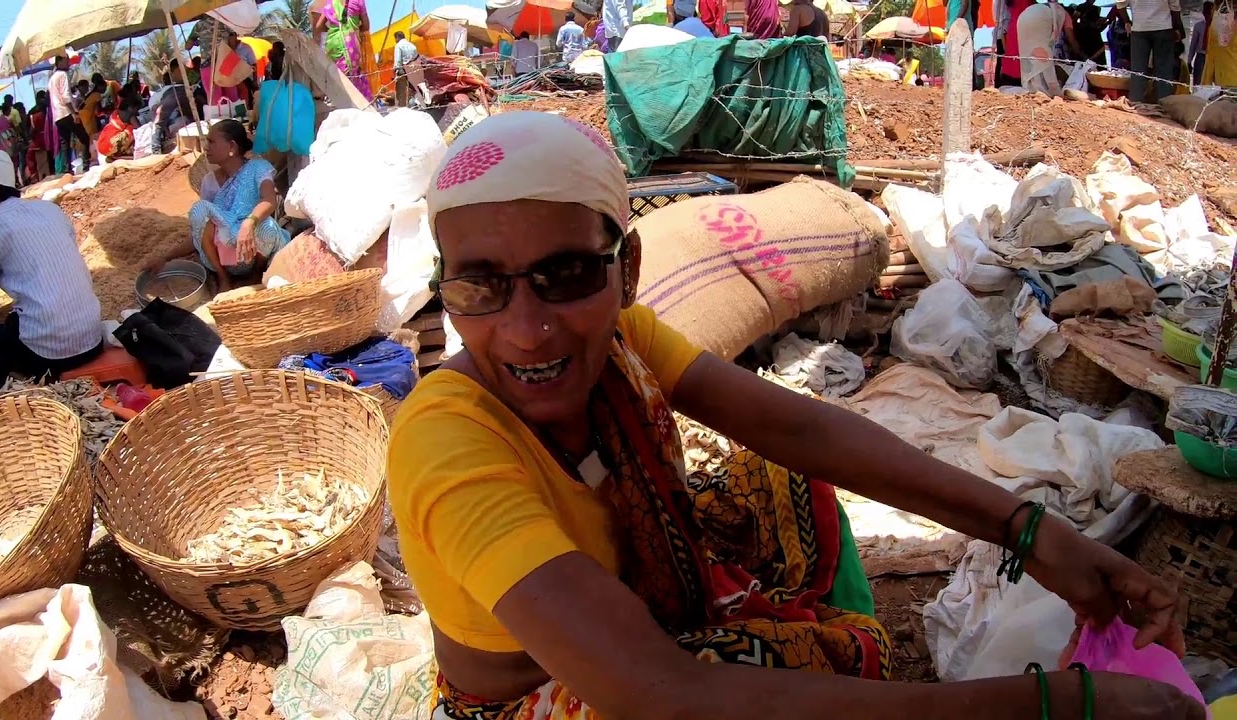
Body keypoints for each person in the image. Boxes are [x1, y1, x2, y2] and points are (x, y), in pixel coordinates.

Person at [384, 111, 1205, 720]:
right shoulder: (448, 442)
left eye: (564, 275)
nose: (527, 328)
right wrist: (1050, 706)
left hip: (642, 643)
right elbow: (658, 695)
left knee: (779, 478)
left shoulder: (620, 339)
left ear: (626, 269)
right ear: (444, 285)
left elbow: (803, 428)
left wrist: (1032, 532)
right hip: (561, 701)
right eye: (478, 286)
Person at [0, 150, 103, 388]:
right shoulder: (49, 209)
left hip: (49, 356)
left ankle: (3, 380)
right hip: (92, 339)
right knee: (16, 318)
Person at [143, 120, 289, 290]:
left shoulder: (258, 168)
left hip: (253, 250)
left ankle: (256, 275)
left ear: (232, 147)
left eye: (211, 142)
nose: (205, 147)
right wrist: (165, 257)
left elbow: (269, 200)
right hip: (223, 256)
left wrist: (248, 223)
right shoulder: (209, 182)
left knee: (268, 226)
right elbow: (200, 230)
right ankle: (223, 277)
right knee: (199, 209)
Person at [1115, 0, 1184, 102]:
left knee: (1138, 70)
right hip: (1163, 28)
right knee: (1164, 70)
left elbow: (1120, 4)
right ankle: (1165, 103)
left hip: (1139, 29)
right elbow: (1175, 7)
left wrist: (1127, 21)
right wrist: (1178, 28)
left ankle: (1136, 103)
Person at [1016, 1, 1080, 95]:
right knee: (1045, 57)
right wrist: (1082, 55)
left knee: (1031, 56)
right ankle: (1050, 89)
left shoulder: (1046, 8)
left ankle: (1032, 86)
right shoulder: (1065, 15)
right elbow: (1071, 39)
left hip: (1023, 18)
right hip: (1039, 20)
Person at [313, 0, 372, 98]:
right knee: (353, 78)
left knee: (338, 77)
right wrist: (353, 28)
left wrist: (333, 30)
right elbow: (366, 26)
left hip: (333, 44)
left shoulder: (331, 3)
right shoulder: (358, 1)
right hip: (351, 44)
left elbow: (319, 26)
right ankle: (355, 103)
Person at [48, 55, 90, 170]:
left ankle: (67, 170)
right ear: (59, 61)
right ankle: (86, 165)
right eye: (66, 60)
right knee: (84, 137)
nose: (68, 63)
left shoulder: (52, 78)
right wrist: (74, 113)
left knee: (65, 144)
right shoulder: (62, 75)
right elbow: (66, 97)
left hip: (57, 115)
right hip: (66, 112)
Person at [393, 31, 432, 107]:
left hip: (407, 67)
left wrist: (396, 70)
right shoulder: (412, 45)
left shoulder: (398, 46)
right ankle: (425, 101)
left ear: (397, 37)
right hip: (416, 66)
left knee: (407, 88)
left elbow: (398, 60)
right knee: (419, 84)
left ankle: (408, 105)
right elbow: (416, 56)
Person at [1189, 1, 1213, 85]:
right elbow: (1193, 45)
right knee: (1198, 81)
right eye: (1205, 11)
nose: (1208, 13)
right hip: (1201, 56)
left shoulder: (1216, 26)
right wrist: (1189, 61)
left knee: (1214, 82)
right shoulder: (1198, 26)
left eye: (1209, 11)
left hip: (1212, 56)